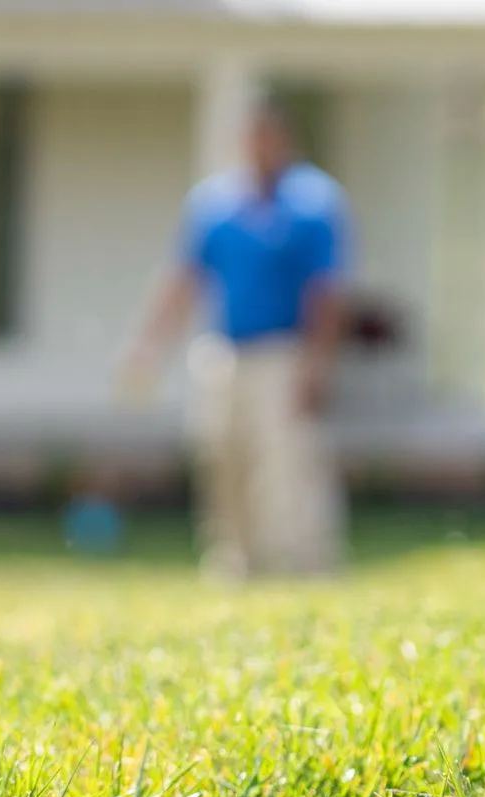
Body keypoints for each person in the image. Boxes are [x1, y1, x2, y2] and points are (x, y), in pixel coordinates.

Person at [119, 98, 353, 582]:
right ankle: (236, 565)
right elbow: (184, 279)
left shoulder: (314, 203)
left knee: (287, 462)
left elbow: (327, 294)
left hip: (286, 351)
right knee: (222, 459)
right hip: (226, 351)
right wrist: (147, 347)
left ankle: (303, 564)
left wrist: (317, 365)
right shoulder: (215, 204)